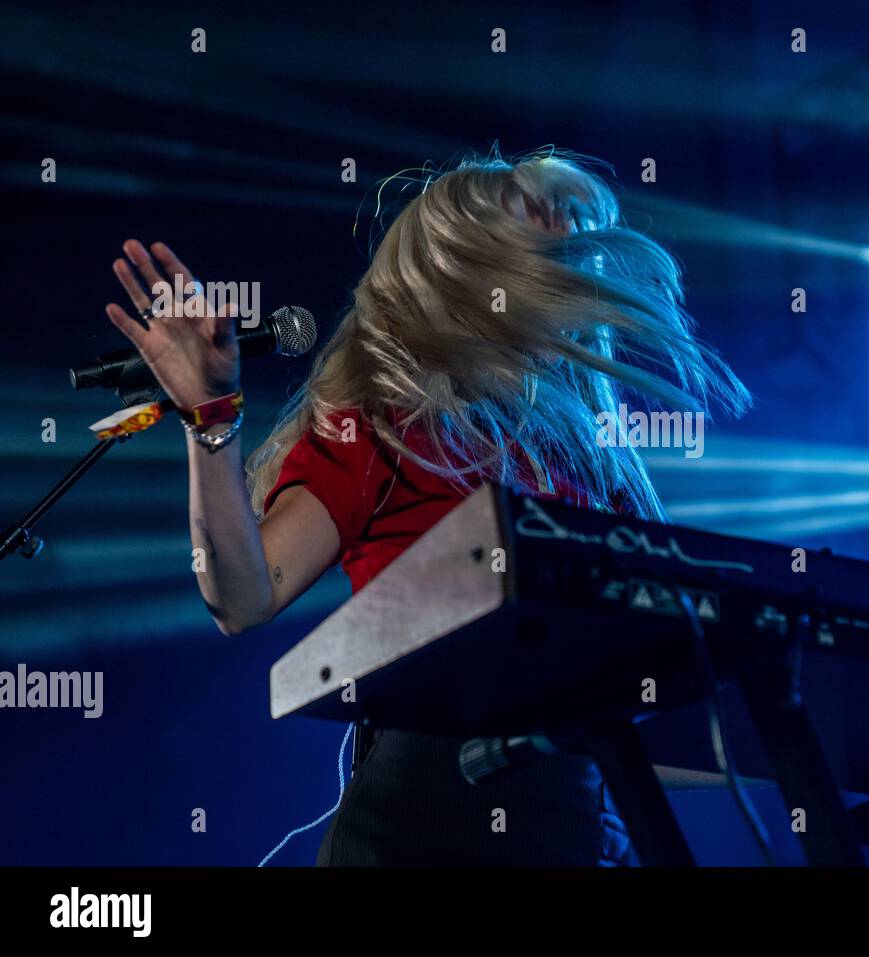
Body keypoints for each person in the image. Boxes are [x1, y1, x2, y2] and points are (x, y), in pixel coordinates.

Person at [104, 149, 751, 866]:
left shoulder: (594, 468)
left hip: (583, 829)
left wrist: (799, 736)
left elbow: (636, 728)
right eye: (534, 230)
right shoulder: (384, 426)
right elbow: (244, 596)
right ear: (464, 265)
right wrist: (210, 420)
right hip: (426, 820)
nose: (561, 256)